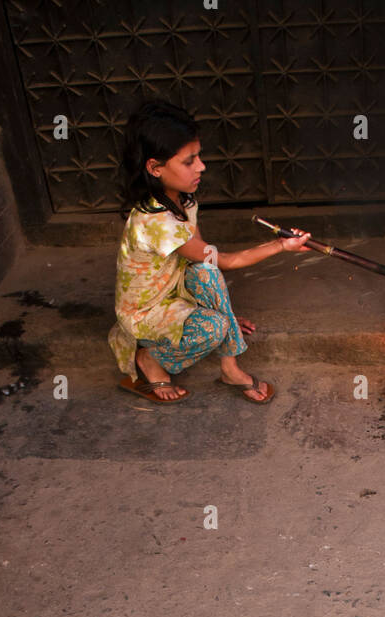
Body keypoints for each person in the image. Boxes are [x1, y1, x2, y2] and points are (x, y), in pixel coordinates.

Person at [109, 100, 311, 403]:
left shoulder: (182, 200)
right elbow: (227, 260)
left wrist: (224, 309)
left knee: (206, 272)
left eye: (198, 157)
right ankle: (149, 358)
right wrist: (280, 245)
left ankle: (230, 368)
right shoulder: (155, 222)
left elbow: (206, 258)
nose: (201, 166)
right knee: (214, 328)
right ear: (154, 167)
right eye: (189, 161)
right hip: (146, 312)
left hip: (173, 291)